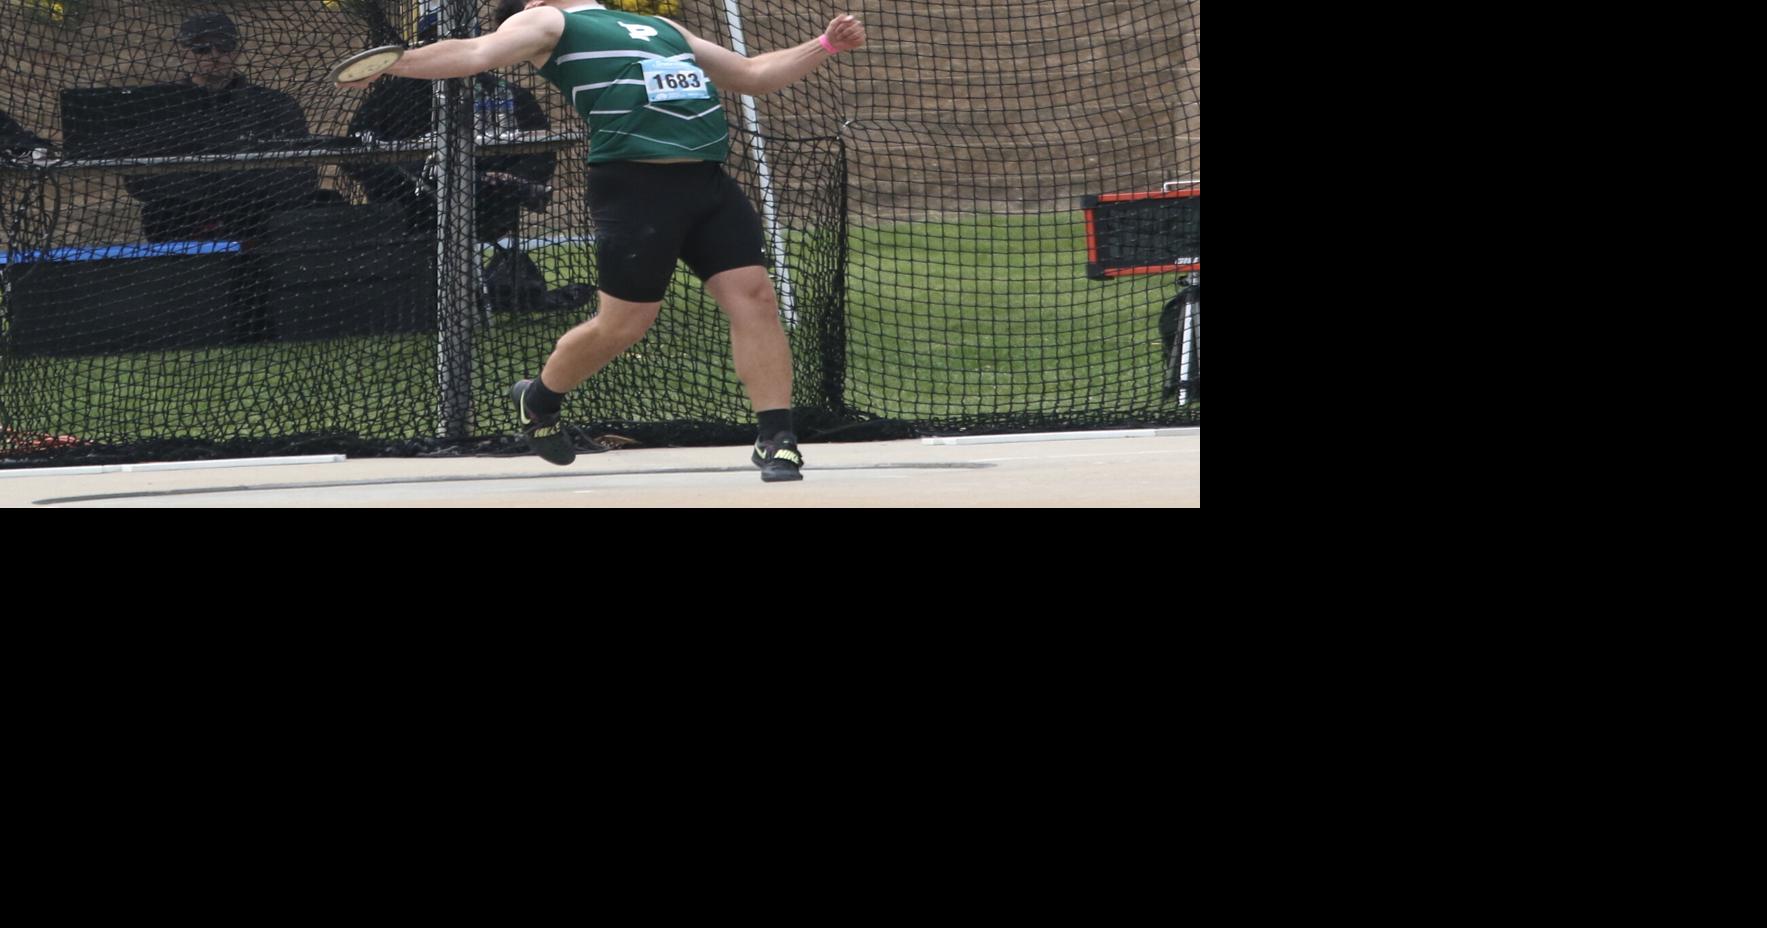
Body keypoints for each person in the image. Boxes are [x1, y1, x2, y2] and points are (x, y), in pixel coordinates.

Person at [343, 0, 866, 481]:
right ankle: (540, 399)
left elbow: (751, 75)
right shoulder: (548, 20)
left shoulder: (660, 26)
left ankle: (776, 437)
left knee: (756, 299)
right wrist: (395, 62)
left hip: (708, 182)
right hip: (635, 187)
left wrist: (824, 44)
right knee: (623, 325)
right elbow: (476, 52)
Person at [124, 13, 326, 242]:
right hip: (186, 223)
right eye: (201, 48)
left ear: (236, 52)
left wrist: (227, 186)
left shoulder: (275, 104)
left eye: (224, 46)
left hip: (260, 221)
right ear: (183, 53)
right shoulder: (160, 107)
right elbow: (140, 181)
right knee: (160, 213)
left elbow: (301, 176)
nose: (214, 55)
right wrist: (214, 187)